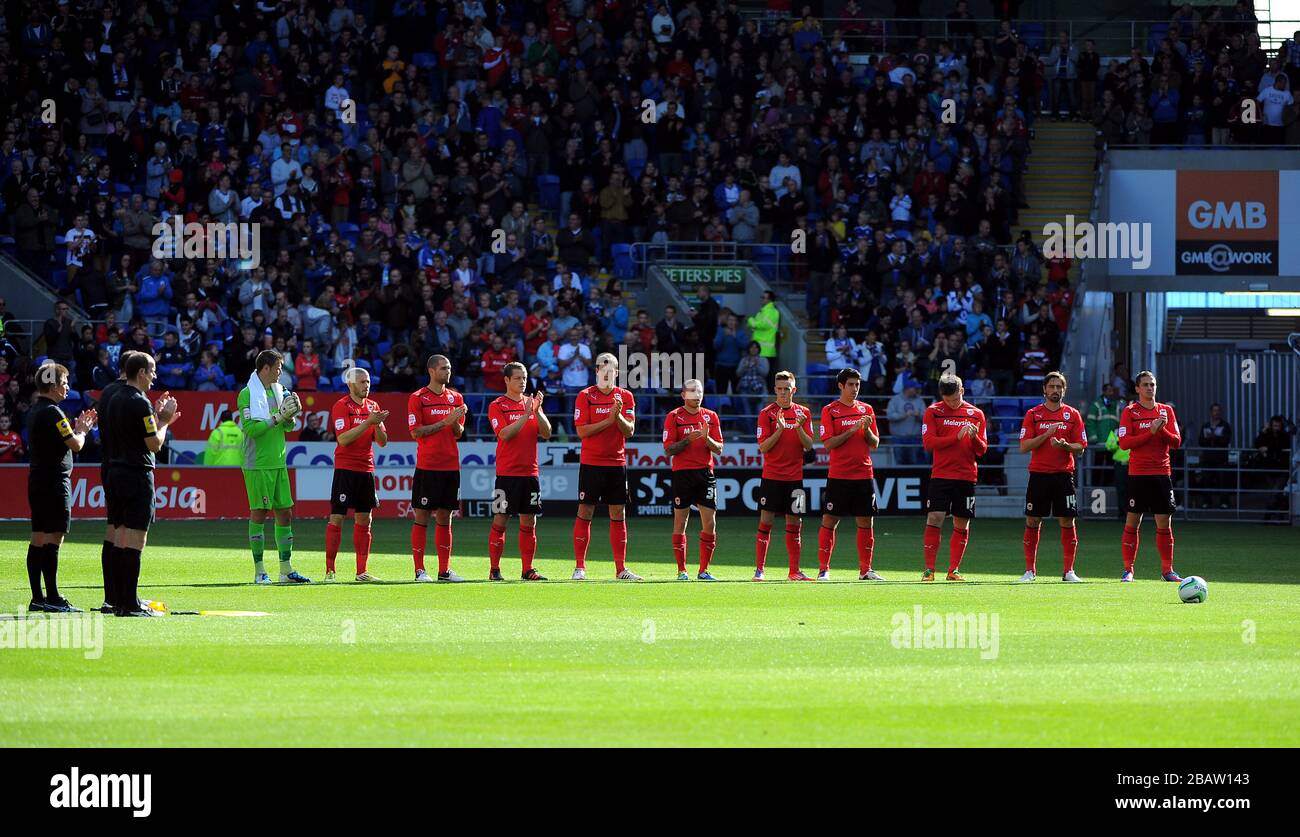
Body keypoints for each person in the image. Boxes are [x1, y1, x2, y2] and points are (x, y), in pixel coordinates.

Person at [104, 352, 179, 616]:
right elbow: (154, 444)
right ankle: (131, 604)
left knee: (121, 537)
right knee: (135, 539)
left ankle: (121, 601)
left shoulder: (114, 397)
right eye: (153, 371)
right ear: (142, 373)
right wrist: (165, 422)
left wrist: (156, 418)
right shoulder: (140, 402)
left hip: (114, 472)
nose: (155, 377)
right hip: (136, 474)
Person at [25, 362, 98, 612]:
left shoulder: (35, 410)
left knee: (38, 538)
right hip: (54, 482)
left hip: (37, 480)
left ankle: (38, 597)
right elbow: (75, 444)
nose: (67, 387)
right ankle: (53, 597)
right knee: (54, 538)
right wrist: (83, 430)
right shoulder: (54, 413)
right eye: (64, 382)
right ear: (54, 385)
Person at [238, 350, 309, 584]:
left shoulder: (281, 391)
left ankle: (285, 570)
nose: (281, 372)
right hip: (257, 463)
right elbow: (251, 429)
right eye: (278, 368)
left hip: (278, 461)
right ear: (265, 368)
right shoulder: (247, 394)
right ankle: (260, 571)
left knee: (285, 513)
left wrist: (290, 417)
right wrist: (279, 417)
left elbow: (288, 427)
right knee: (259, 512)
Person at [572, 352, 641, 581]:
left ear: (617, 372)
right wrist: (609, 420)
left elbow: (629, 431)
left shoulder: (626, 396)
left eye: (610, 370)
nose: (606, 373)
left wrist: (618, 416)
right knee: (585, 511)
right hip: (591, 463)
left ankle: (621, 569)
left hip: (616, 463)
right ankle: (580, 567)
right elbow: (582, 431)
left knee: (618, 513)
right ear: (596, 372)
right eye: (602, 369)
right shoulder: (585, 396)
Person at [1018, 372, 1087, 583]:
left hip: (1064, 475)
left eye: (1059, 387)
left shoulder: (1073, 415)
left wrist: (1066, 446)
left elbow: (1081, 448)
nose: (1055, 390)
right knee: (1033, 520)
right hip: (1039, 475)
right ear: (1044, 390)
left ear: (1064, 390)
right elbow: (1024, 446)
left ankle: (1069, 571)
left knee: (1067, 520)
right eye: (1052, 387)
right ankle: (1030, 571)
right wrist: (1047, 435)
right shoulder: (1033, 414)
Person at [818, 368, 885, 581]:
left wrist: (865, 430)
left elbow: (875, 443)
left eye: (857, 385)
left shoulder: (867, 409)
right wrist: (850, 430)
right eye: (851, 385)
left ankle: (866, 570)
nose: (855, 389)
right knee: (829, 520)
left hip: (864, 474)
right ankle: (823, 570)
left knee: (866, 522)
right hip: (839, 475)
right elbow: (828, 444)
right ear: (841, 386)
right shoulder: (830, 410)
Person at [488, 362, 552, 581]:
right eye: (517, 378)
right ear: (506, 380)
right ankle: (494, 569)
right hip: (507, 473)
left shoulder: (532, 404)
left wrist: (537, 412)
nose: (522, 382)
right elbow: (504, 434)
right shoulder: (498, 405)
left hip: (530, 473)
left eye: (524, 378)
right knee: (501, 519)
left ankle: (527, 569)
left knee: (529, 522)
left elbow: (547, 432)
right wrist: (525, 416)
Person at [1117, 370, 1183, 582]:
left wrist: (1161, 430)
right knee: (1133, 520)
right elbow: (1125, 443)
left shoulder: (1166, 411)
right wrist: (1151, 432)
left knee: (1164, 521)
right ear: (1137, 389)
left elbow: (1176, 442)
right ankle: (1128, 570)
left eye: (1152, 384)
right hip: (1138, 473)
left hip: (1162, 473)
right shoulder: (1130, 412)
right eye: (1145, 384)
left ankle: (1167, 571)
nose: (1149, 388)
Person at [920, 373, 987, 581]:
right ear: (942, 396)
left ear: (962, 391)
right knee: (935, 517)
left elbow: (982, 449)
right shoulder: (933, 412)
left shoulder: (976, 414)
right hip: (941, 474)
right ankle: (930, 569)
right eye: (947, 400)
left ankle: (953, 570)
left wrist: (974, 436)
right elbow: (929, 443)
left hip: (966, 475)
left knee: (961, 522)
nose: (951, 403)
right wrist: (955, 437)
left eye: (955, 399)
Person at [407, 354, 468, 582]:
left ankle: (444, 570)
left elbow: (458, 433)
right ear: (432, 371)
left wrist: (454, 421)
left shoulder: (456, 397)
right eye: (443, 368)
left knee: (446, 517)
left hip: (451, 465)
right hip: (428, 465)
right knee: (422, 516)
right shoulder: (418, 398)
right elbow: (416, 432)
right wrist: (445, 421)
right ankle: (420, 570)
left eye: (449, 368)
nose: (448, 372)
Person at [324, 368, 389, 582]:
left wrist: (377, 423)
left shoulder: (373, 407)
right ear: (350, 385)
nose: (366, 386)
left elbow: (382, 441)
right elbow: (343, 439)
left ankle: (362, 572)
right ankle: (330, 571)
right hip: (345, 469)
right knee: (337, 517)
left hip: (366, 469)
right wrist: (368, 422)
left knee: (365, 518)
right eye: (361, 382)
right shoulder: (341, 406)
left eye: (368, 381)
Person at [754, 371, 816, 581]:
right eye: (779, 389)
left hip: (795, 479)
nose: (782, 393)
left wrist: (798, 429)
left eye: (786, 389)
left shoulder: (803, 413)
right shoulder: (766, 413)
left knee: (795, 523)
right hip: (771, 477)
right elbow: (763, 447)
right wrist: (779, 430)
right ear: (774, 390)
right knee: (766, 521)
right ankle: (760, 570)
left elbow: (809, 445)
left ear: (793, 390)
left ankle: (794, 571)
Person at [663, 378, 725, 581]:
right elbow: (668, 449)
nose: (696, 395)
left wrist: (706, 438)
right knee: (680, 522)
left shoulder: (711, 416)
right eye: (691, 392)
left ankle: (703, 571)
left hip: (705, 474)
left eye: (699, 392)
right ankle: (682, 570)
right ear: (683, 395)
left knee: (710, 523)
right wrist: (688, 440)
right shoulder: (674, 417)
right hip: (682, 474)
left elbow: (719, 449)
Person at [1086, 383, 1123, 486]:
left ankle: (1108, 486)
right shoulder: (1096, 405)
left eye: (1112, 391)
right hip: (1099, 444)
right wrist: (1094, 438)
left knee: (1110, 467)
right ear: (1104, 392)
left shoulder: (1116, 406)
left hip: (1112, 445)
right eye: (1109, 391)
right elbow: (1090, 423)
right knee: (1097, 466)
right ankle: (1095, 485)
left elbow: (1120, 425)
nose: (1111, 393)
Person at [1197, 403, 1232, 509]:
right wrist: (1208, 438)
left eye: (1218, 410)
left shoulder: (1225, 425)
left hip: (1221, 458)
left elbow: (1227, 440)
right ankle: (1207, 502)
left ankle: (1224, 502)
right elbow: (1200, 441)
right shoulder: (1206, 425)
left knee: (1223, 481)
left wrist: (1215, 437)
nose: (1216, 413)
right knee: (1206, 480)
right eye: (1214, 410)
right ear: (1211, 412)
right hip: (1208, 458)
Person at [886, 374, 926, 465]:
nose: (916, 390)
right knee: (899, 464)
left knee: (914, 464)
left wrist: (918, 415)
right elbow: (890, 416)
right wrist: (904, 415)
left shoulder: (919, 400)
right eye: (914, 388)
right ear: (908, 389)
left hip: (915, 438)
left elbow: (926, 418)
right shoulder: (895, 400)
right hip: (898, 438)